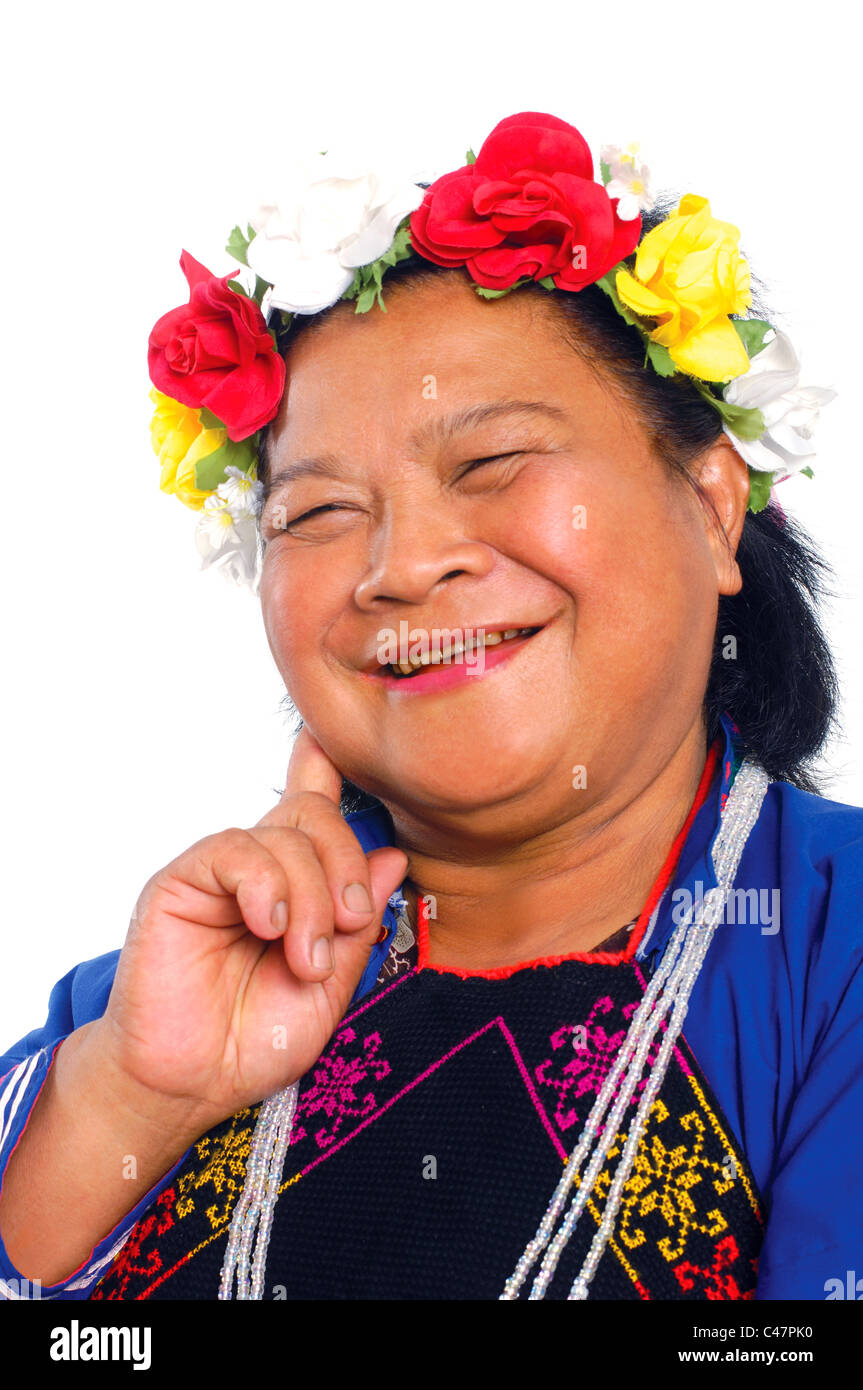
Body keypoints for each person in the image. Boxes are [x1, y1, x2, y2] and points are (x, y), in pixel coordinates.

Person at [1, 111, 860, 1303]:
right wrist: (135, 1097)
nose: (401, 566)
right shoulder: (156, 996)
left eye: (492, 462)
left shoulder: (831, 948)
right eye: (315, 513)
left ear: (712, 506)